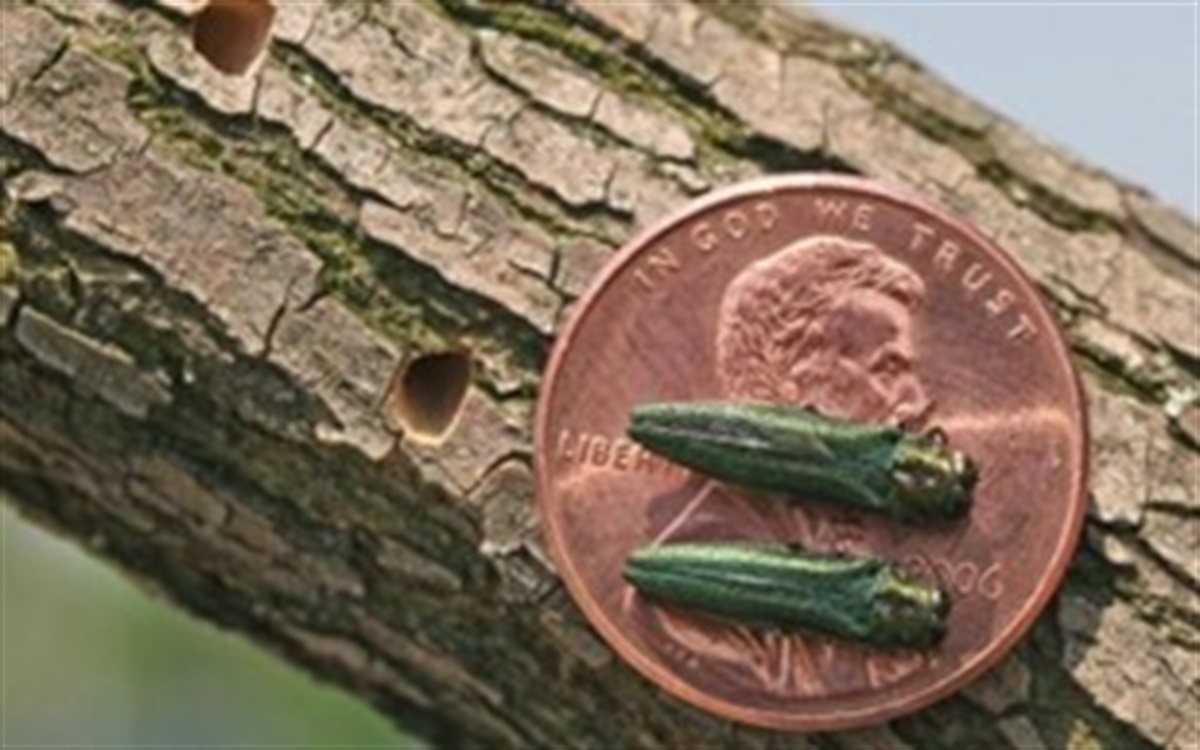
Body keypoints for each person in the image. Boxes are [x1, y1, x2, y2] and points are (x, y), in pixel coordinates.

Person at [631, 235, 937, 696]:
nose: (918, 402)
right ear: (796, 382)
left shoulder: (854, 521)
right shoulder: (694, 589)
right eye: (887, 369)